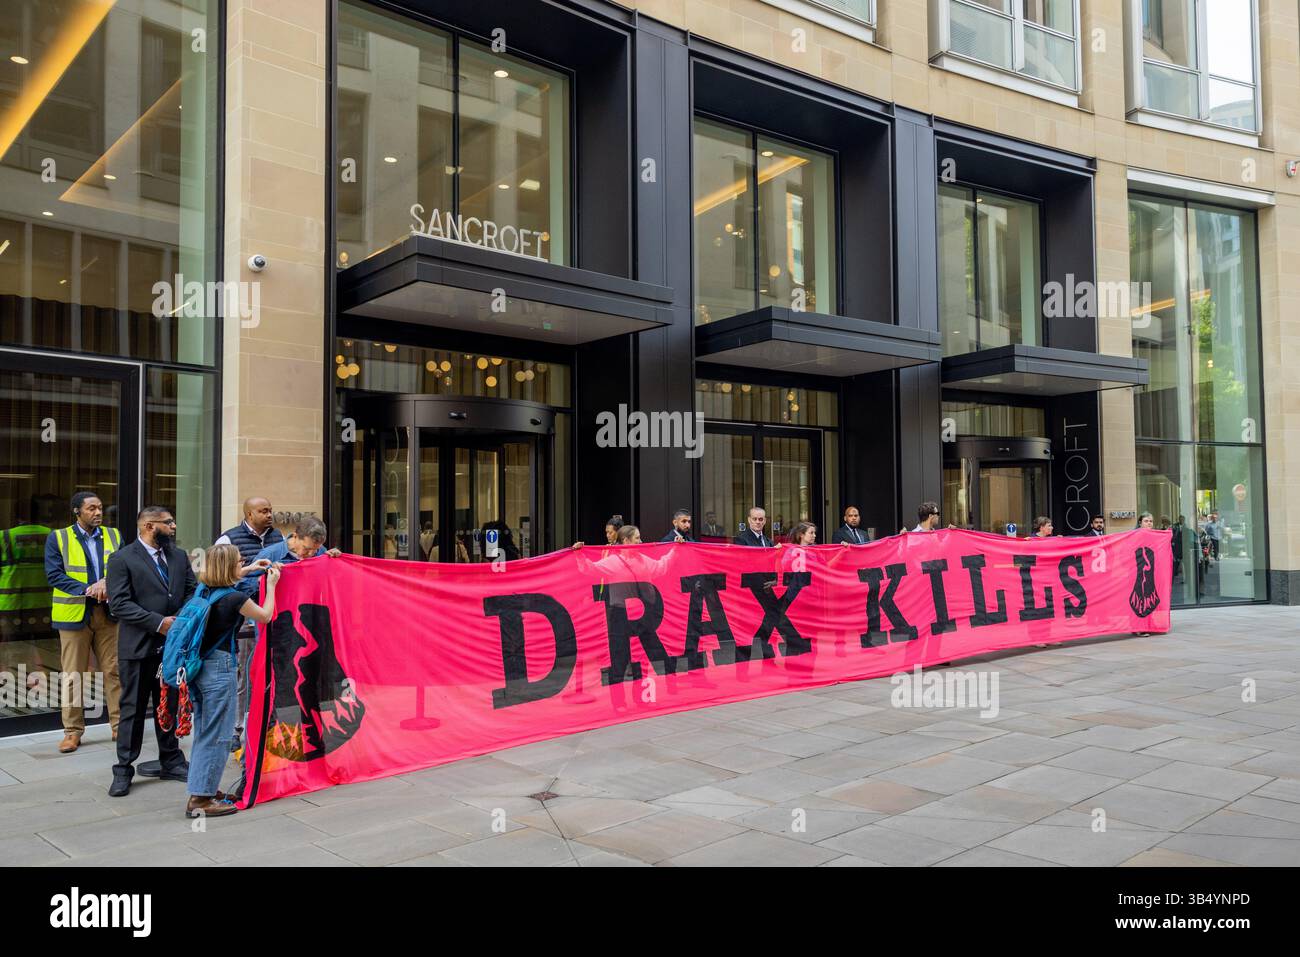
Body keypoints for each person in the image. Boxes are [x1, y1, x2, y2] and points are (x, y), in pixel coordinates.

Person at [184, 544, 281, 820]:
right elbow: (265, 615)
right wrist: (271, 585)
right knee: (218, 735)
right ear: (229, 568)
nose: (245, 563)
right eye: (241, 562)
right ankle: (200, 800)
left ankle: (203, 788)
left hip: (199, 668)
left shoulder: (205, 590)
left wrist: (251, 569)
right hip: (219, 667)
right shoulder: (235, 598)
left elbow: (229, 579)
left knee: (204, 730)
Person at [106, 506, 197, 797]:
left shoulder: (179, 556)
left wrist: (179, 622)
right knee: (132, 708)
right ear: (148, 526)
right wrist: (159, 623)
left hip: (171, 647)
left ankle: (171, 760)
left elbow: (191, 591)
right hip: (137, 647)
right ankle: (123, 769)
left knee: (168, 704)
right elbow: (119, 604)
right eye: (168, 523)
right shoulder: (121, 559)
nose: (173, 527)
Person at [44, 492, 122, 753]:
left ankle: (119, 726)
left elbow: (123, 569)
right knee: (73, 675)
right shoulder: (58, 538)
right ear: (77, 511)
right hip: (74, 614)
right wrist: (88, 589)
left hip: (108, 614)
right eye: (91, 508)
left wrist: (106, 584)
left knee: (114, 671)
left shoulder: (114, 536)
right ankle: (72, 732)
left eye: (100, 507)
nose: (98, 512)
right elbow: (54, 575)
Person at [213, 497, 284, 752]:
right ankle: (237, 728)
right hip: (245, 614)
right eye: (263, 511)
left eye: (270, 510)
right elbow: (219, 577)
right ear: (248, 513)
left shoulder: (279, 539)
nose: (269, 514)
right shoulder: (228, 539)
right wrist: (256, 584)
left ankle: (269, 723)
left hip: (274, 615)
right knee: (245, 673)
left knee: (269, 672)